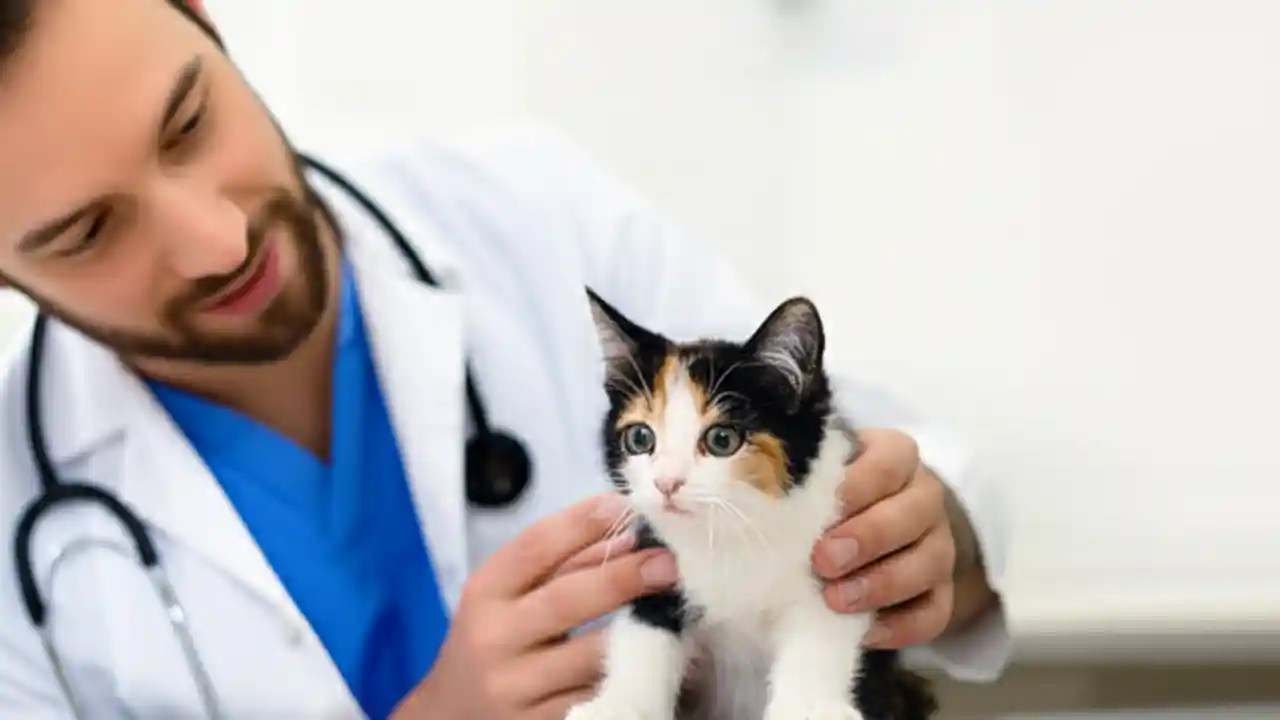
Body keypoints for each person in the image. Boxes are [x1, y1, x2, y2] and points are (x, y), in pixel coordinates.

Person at [0, 0, 1008, 717]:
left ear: (205, 19)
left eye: (190, 122)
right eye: (89, 232)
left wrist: (925, 545)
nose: (217, 242)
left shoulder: (532, 218)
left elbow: (922, 478)